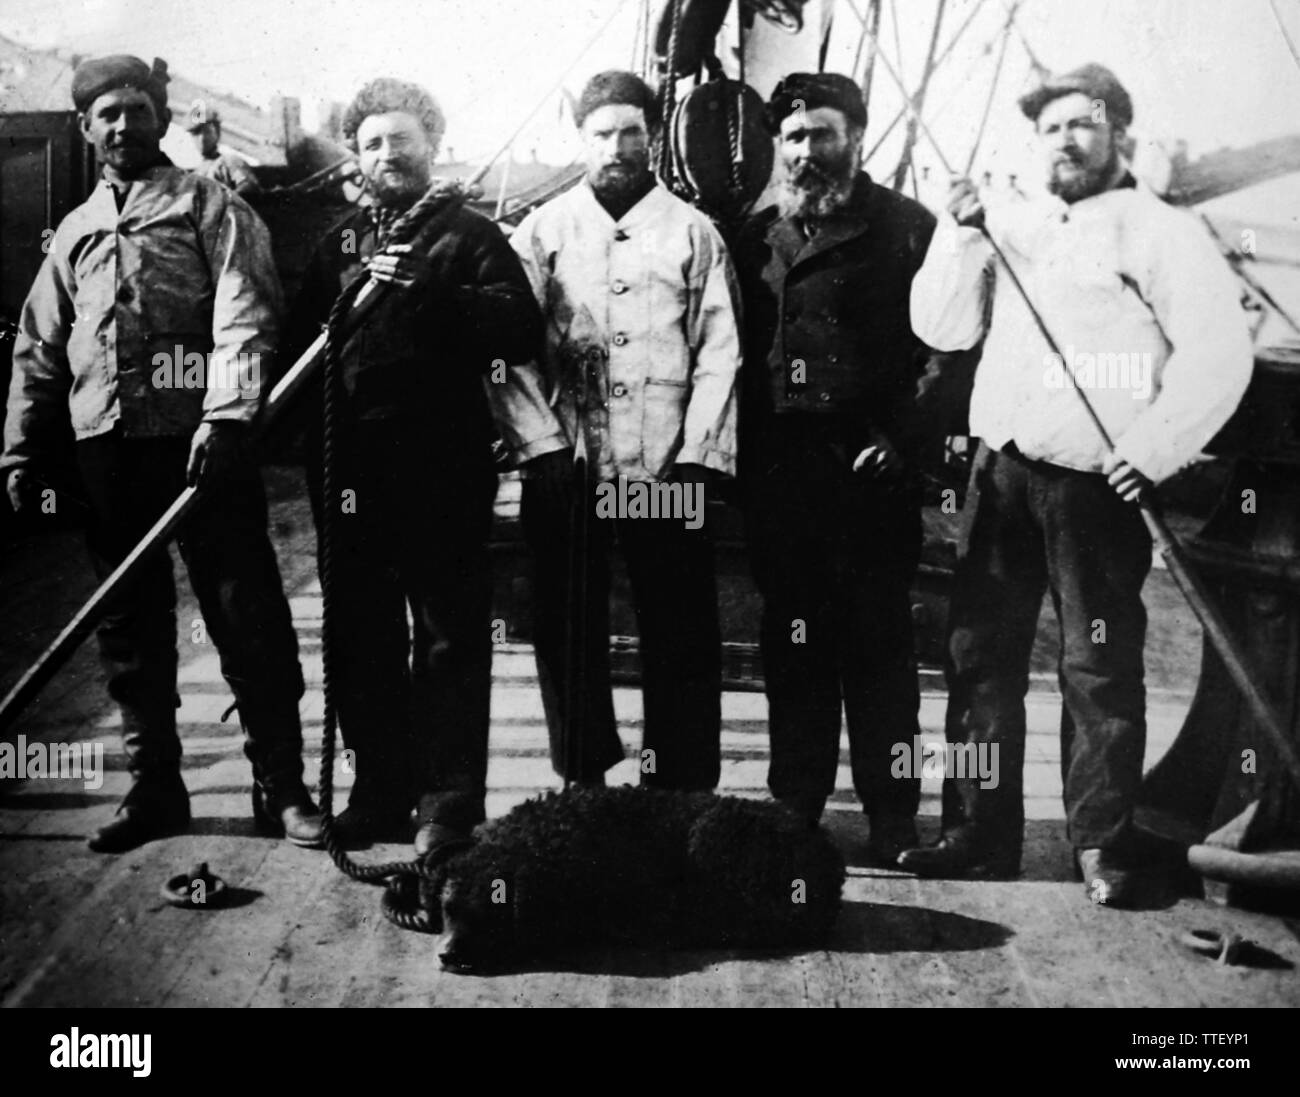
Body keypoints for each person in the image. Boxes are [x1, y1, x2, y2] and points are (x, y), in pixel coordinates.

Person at [902, 64, 1254, 904]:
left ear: (1119, 137)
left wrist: (1157, 445)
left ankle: (1101, 845)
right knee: (978, 658)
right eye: (1053, 125)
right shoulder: (1011, 217)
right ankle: (976, 832)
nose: (1067, 138)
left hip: (1096, 487)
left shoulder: (1158, 231)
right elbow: (940, 326)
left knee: (1096, 664)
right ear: (1037, 141)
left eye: (1086, 123)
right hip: (1002, 471)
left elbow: (1219, 352)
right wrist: (959, 235)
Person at [2, 54, 321, 852]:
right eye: (106, 113)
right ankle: (155, 789)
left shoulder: (210, 204)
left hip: (201, 444)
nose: (121, 125)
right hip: (108, 449)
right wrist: (19, 453)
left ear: (160, 117)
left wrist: (225, 417)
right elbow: (39, 348)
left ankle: (281, 786)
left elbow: (245, 314)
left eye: (136, 110)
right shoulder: (73, 233)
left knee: (244, 610)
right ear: (85, 128)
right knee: (129, 626)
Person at [284, 78, 542, 855]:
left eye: (401, 140)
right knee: (360, 633)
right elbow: (296, 352)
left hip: (442, 468)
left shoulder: (470, 236)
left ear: (430, 145)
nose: (387, 154)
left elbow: (520, 329)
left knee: (447, 637)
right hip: (350, 473)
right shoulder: (336, 247)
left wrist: (435, 292)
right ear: (356, 159)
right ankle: (379, 793)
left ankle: (449, 802)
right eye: (371, 144)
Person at [732, 73, 963, 860]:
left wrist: (905, 438)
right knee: (792, 639)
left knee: (879, 649)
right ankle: (795, 801)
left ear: (856, 137)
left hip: (870, 473)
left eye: (823, 134)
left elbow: (949, 346)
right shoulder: (755, 231)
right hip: (781, 474)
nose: (807, 151)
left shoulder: (907, 228)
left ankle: (892, 813)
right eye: (793, 138)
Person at [491, 71, 741, 790]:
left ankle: (680, 782)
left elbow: (720, 350)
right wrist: (539, 448)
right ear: (582, 139)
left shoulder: (693, 232)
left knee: (681, 623)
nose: (618, 147)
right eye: (602, 133)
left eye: (632, 131)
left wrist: (698, 457)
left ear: (653, 135)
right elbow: (506, 352)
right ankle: (583, 774)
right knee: (569, 624)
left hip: (664, 469)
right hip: (569, 468)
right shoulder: (543, 231)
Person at [185, 104, 262, 198]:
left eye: (207, 131)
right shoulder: (195, 174)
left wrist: (224, 201)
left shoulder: (230, 162)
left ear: (217, 133)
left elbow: (249, 187)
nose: (202, 138)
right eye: (196, 133)